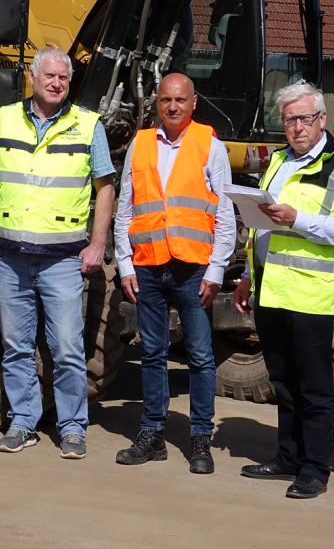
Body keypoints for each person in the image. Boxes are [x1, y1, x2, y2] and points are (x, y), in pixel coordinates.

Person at [0, 47, 115, 459]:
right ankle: (23, 423)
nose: (56, 83)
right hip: (11, 258)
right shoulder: (5, 119)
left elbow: (106, 187)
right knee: (16, 347)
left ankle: (72, 428)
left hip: (62, 261)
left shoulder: (88, 125)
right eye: (49, 76)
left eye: (63, 78)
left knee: (68, 348)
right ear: (32, 79)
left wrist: (98, 243)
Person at [234, 82, 334, 499]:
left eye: (304, 118)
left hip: (314, 294)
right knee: (284, 382)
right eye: (289, 119)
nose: (296, 127)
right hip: (271, 291)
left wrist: (299, 219)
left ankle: (314, 469)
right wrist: (246, 275)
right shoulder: (277, 161)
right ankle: (288, 457)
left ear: (322, 119)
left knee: (314, 386)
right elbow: (261, 227)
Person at [113, 73, 234, 473]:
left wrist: (216, 269)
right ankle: (152, 434)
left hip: (193, 270)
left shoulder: (210, 145)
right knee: (151, 353)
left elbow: (225, 214)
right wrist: (126, 264)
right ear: (157, 102)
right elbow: (125, 207)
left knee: (200, 357)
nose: (173, 107)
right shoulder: (140, 144)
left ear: (193, 102)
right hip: (147, 266)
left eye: (180, 100)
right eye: (166, 100)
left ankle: (200, 440)